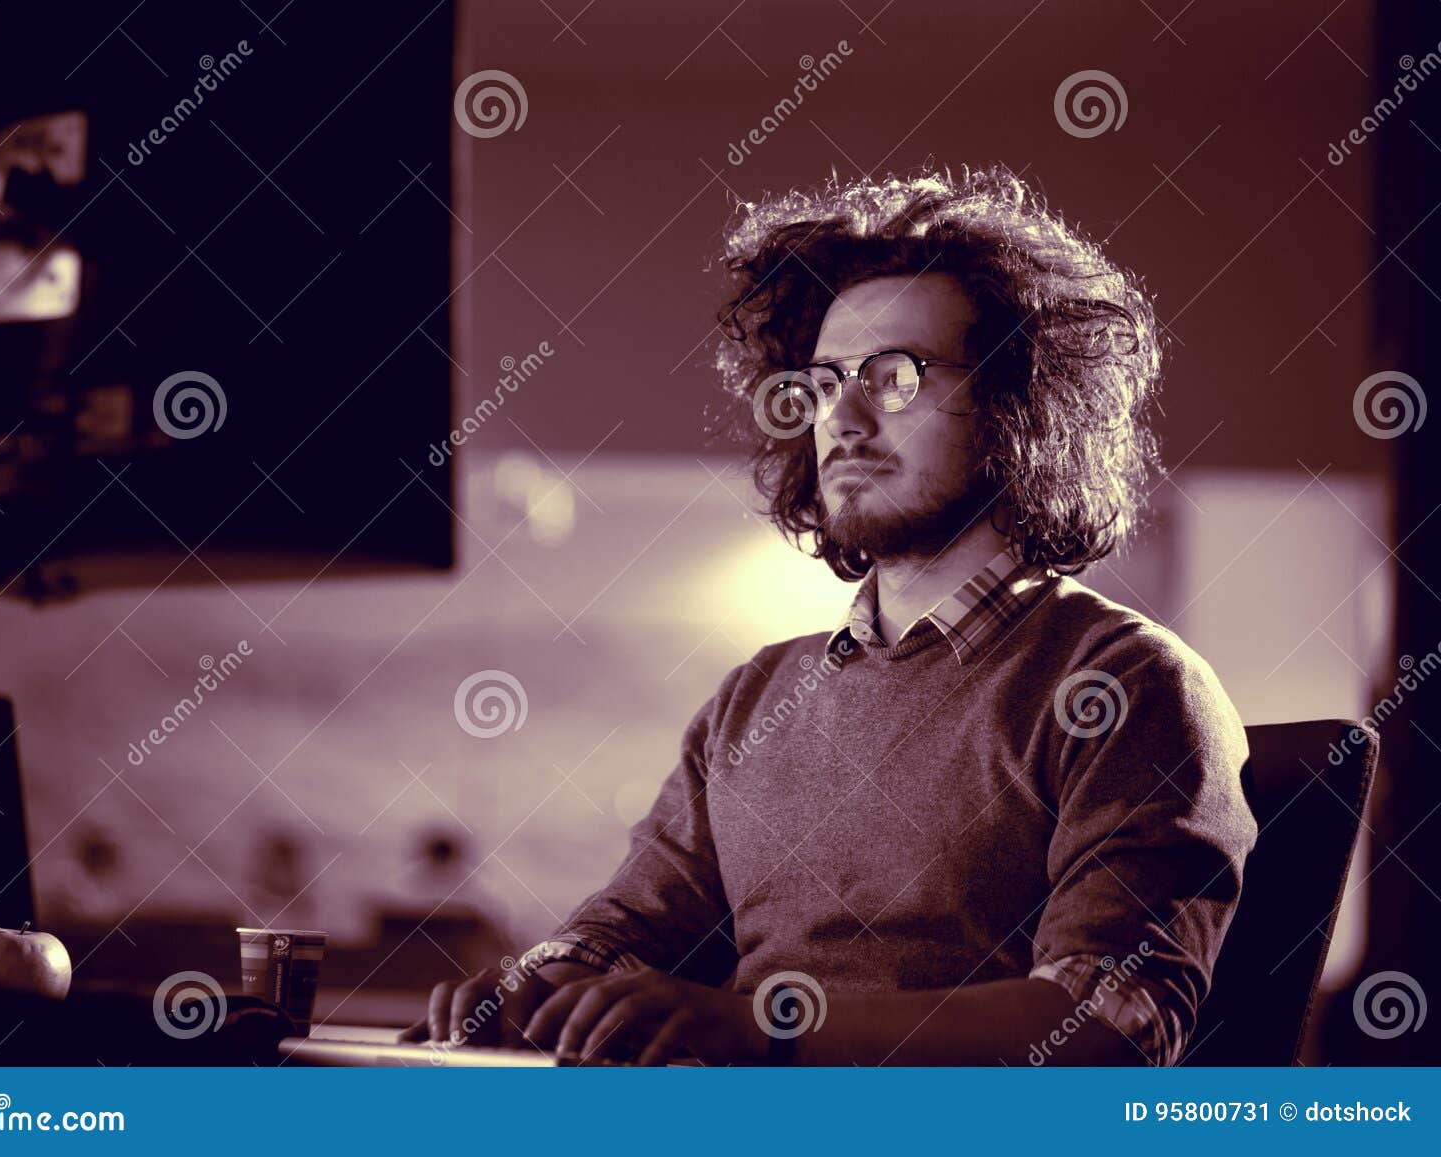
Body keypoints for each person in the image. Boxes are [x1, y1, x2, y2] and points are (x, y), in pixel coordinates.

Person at [399, 164, 1257, 1065]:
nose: (841, 418)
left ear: (1022, 405)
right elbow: (624, 931)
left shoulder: (1132, 684)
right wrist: (534, 993)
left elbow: (1103, 1034)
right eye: (820, 382)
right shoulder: (754, 697)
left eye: (892, 376)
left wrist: (759, 1029)